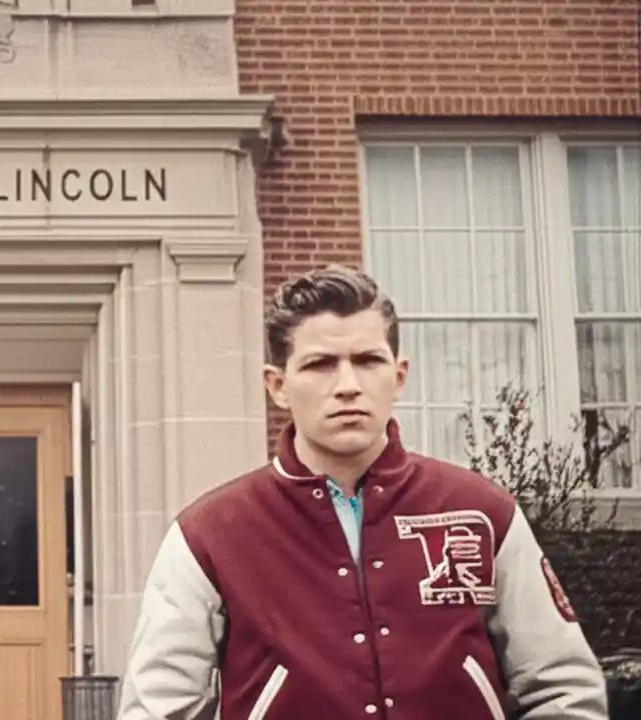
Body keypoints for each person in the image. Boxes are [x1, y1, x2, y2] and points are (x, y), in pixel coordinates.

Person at [117, 265, 607, 719]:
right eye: (320, 365)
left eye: (368, 360)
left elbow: (562, 689)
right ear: (278, 385)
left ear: (399, 375)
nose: (348, 384)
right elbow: (158, 708)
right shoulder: (210, 536)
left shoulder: (481, 513)